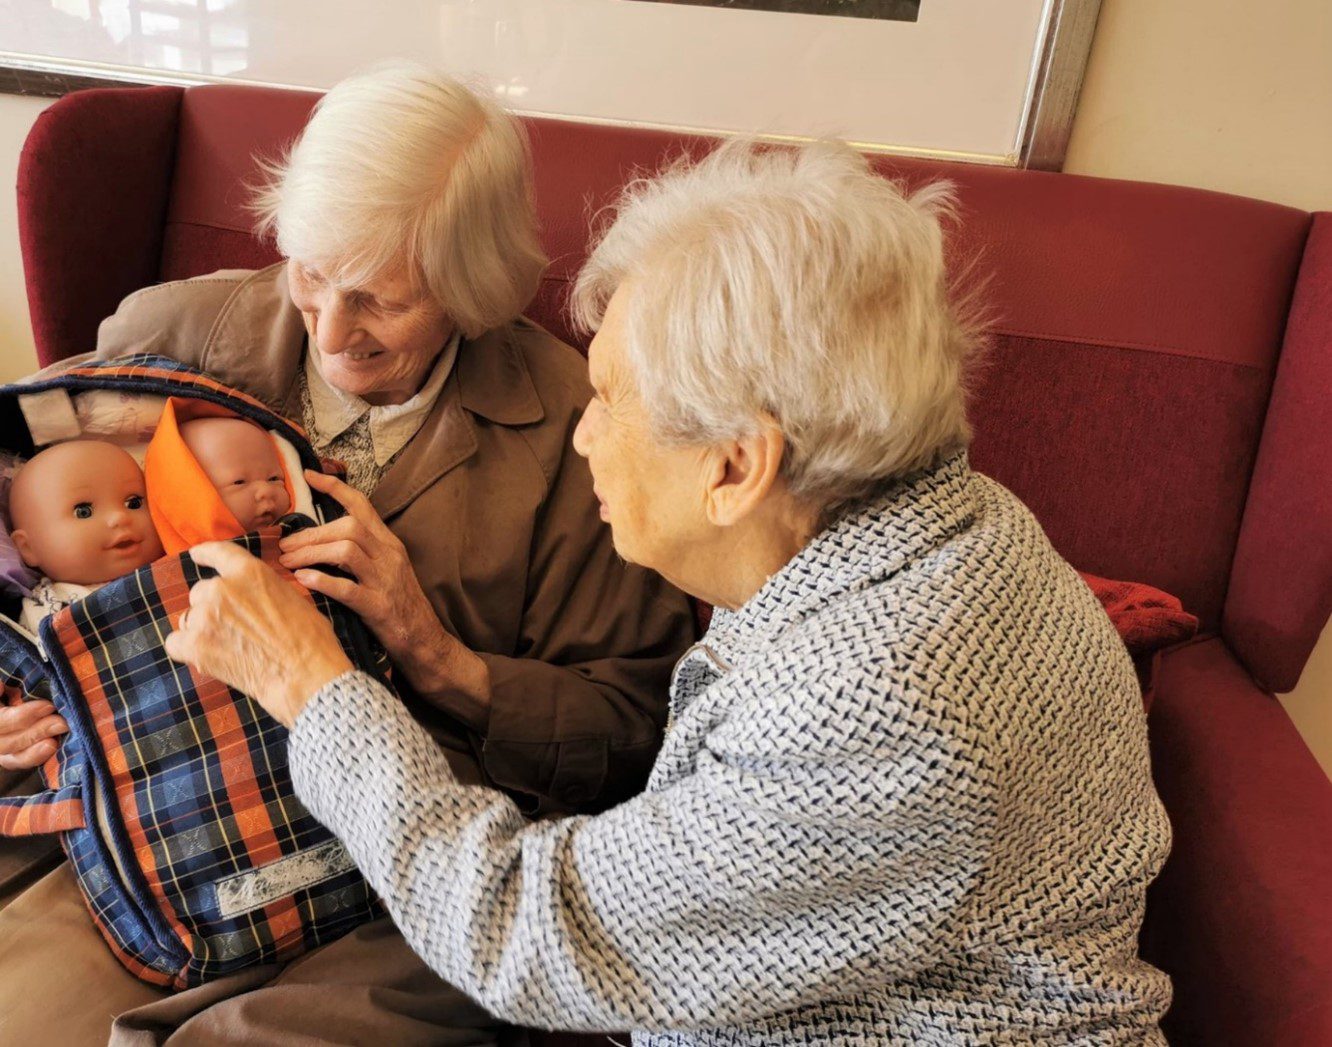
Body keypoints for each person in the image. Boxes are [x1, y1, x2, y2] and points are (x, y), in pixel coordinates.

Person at [164, 140, 1174, 1043]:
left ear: (735, 468)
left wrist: (311, 684)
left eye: (609, 400)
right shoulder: (948, 516)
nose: (585, 434)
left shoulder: (880, 712)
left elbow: (529, 935)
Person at [0, 62, 693, 1045]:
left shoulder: (578, 432)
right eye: (313, 274)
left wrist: (433, 651)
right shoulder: (168, 339)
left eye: (381, 300)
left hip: (395, 882)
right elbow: (20, 548)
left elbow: (636, 732)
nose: (333, 334)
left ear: (472, 285)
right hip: (140, 820)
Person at [9, 439, 163, 638]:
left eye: (133, 503)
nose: (119, 517)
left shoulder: (180, 558)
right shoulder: (44, 607)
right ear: (28, 548)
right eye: (84, 511)